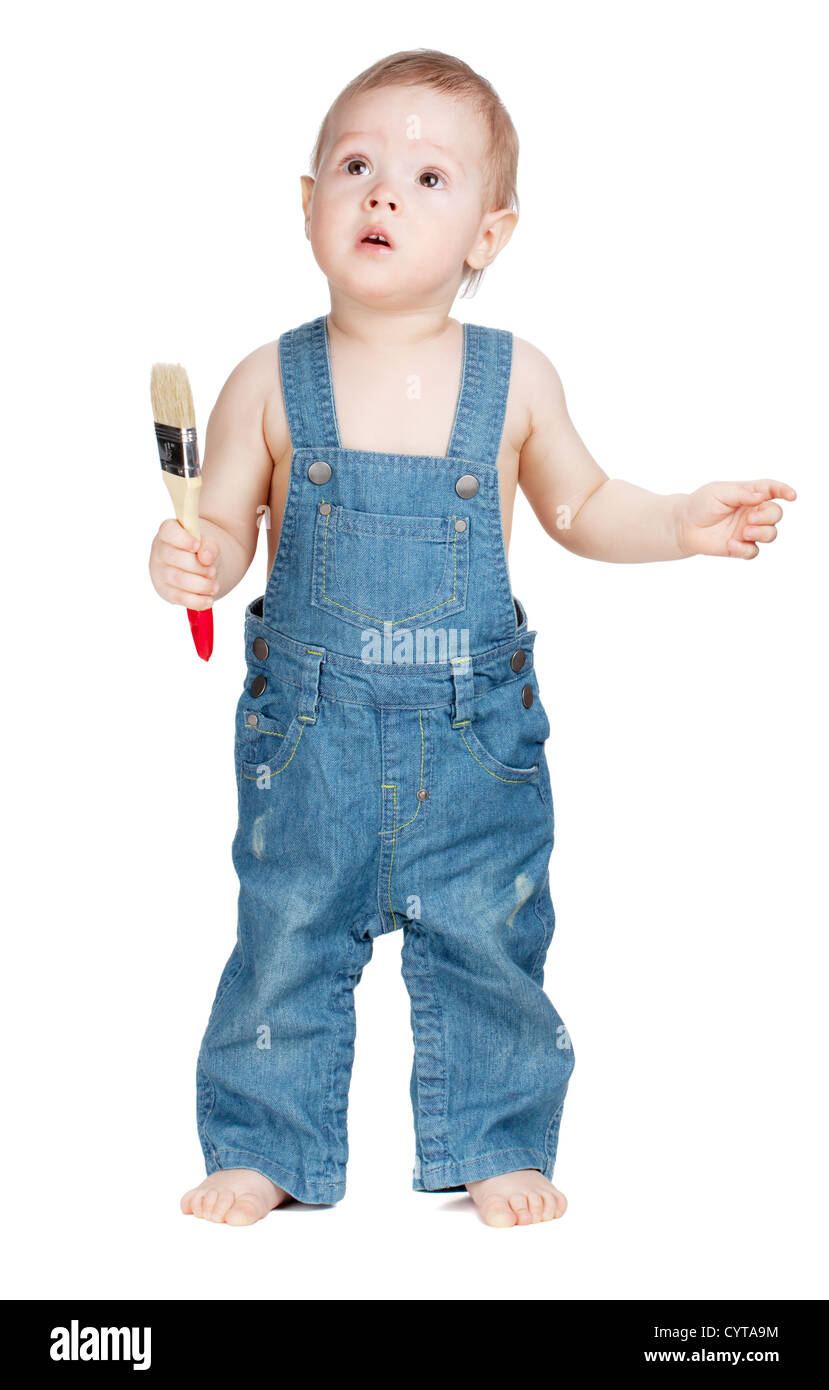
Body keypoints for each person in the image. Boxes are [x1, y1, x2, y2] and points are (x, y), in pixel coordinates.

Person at [149, 49, 795, 1229]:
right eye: (355, 166)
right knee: (283, 938)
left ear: (490, 233)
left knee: (489, 943)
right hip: (310, 742)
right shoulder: (266, 381)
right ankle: (266, 1139)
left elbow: (581, 508)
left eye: (426, 177)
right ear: (307, 206)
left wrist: (679, 521)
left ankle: (494, 1138)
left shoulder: (516, 380)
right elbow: (226, 535)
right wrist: (182, 556)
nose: (382, 194)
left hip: (472, 740)